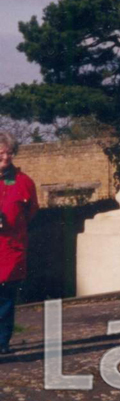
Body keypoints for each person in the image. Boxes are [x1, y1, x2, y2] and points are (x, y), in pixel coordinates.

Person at [0, 131, 38, 355]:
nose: (5, 157)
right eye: (1, 153)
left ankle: (2, 343)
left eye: (9, 153)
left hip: (9, 252)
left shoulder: (24, 182)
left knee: (5, 301)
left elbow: (31, 211)